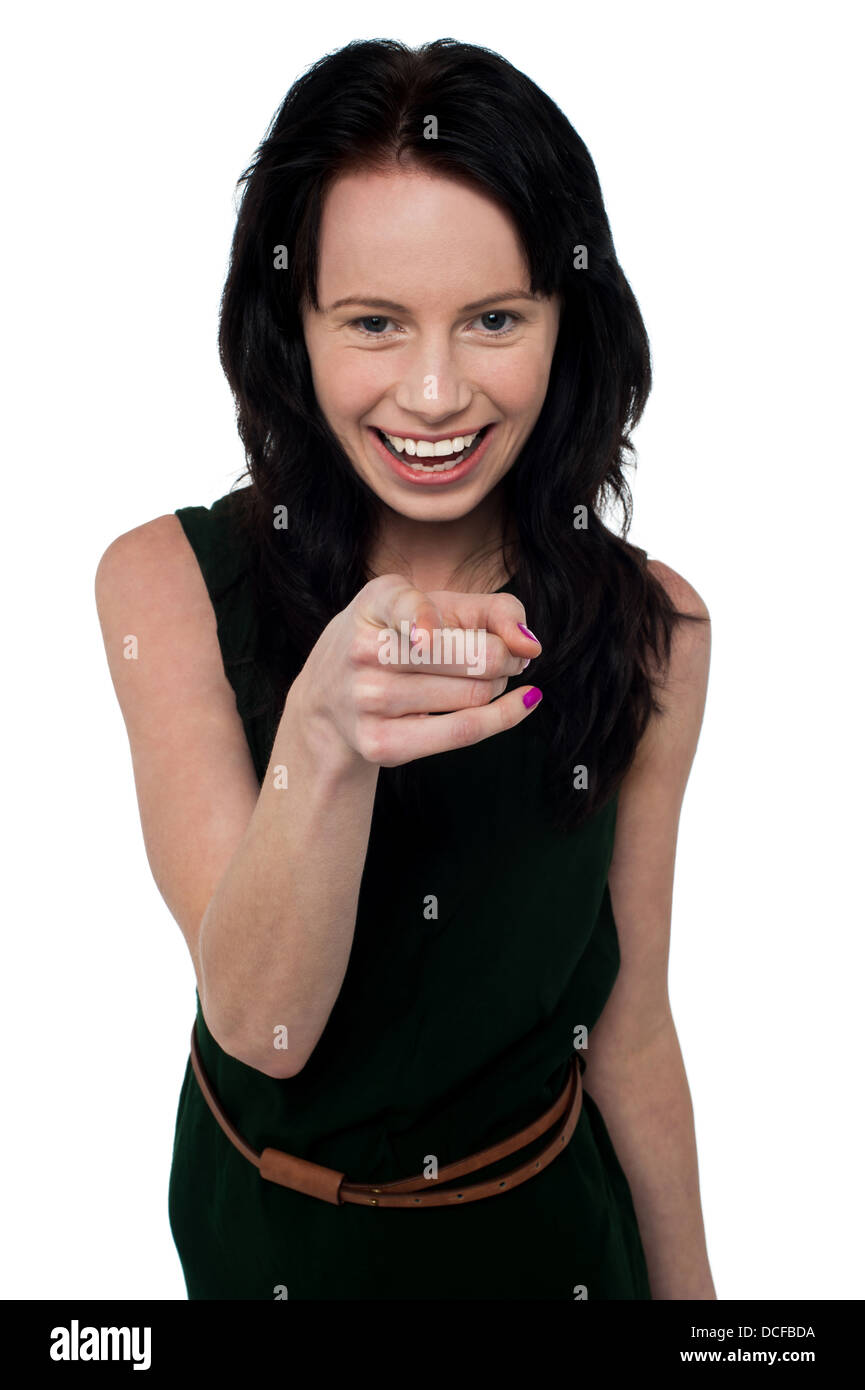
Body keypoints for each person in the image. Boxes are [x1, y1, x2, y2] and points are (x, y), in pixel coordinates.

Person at [95, 37, 714, 1300]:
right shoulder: (161, 584)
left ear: (565, 322)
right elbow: (264, 1026)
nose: (433, 394)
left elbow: (629, 1022)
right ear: (296, 327)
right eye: (373, 322)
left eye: (493, 318)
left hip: (540, 1244)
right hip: (261, 1237)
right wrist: (321, 743)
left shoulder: (655, 629)